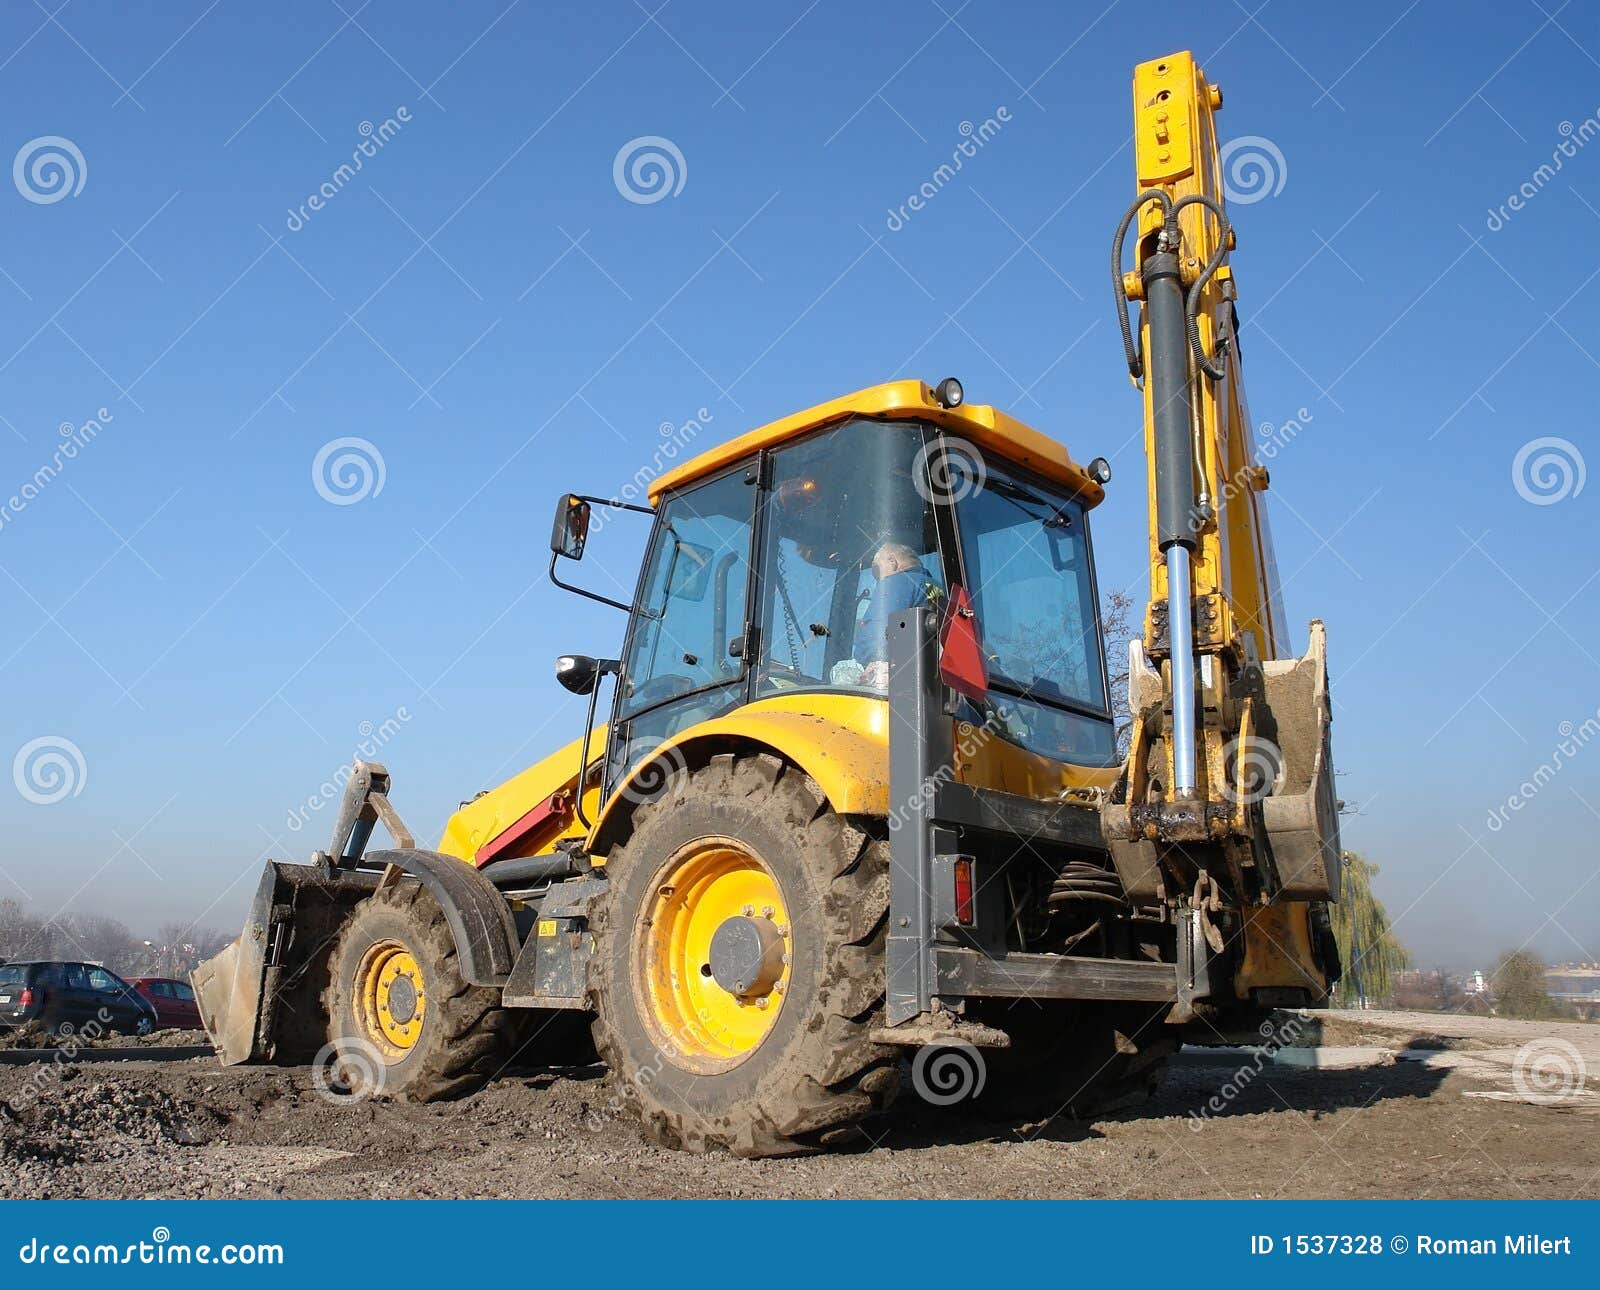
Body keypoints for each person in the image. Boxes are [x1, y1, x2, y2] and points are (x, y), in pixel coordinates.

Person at [855, 542, 934, 685]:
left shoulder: (897, 581)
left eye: (878, 571)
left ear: (892, 562)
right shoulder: (935, 587)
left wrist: (870, 660)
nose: (879, 581)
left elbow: (877, 636)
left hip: (891, 684)